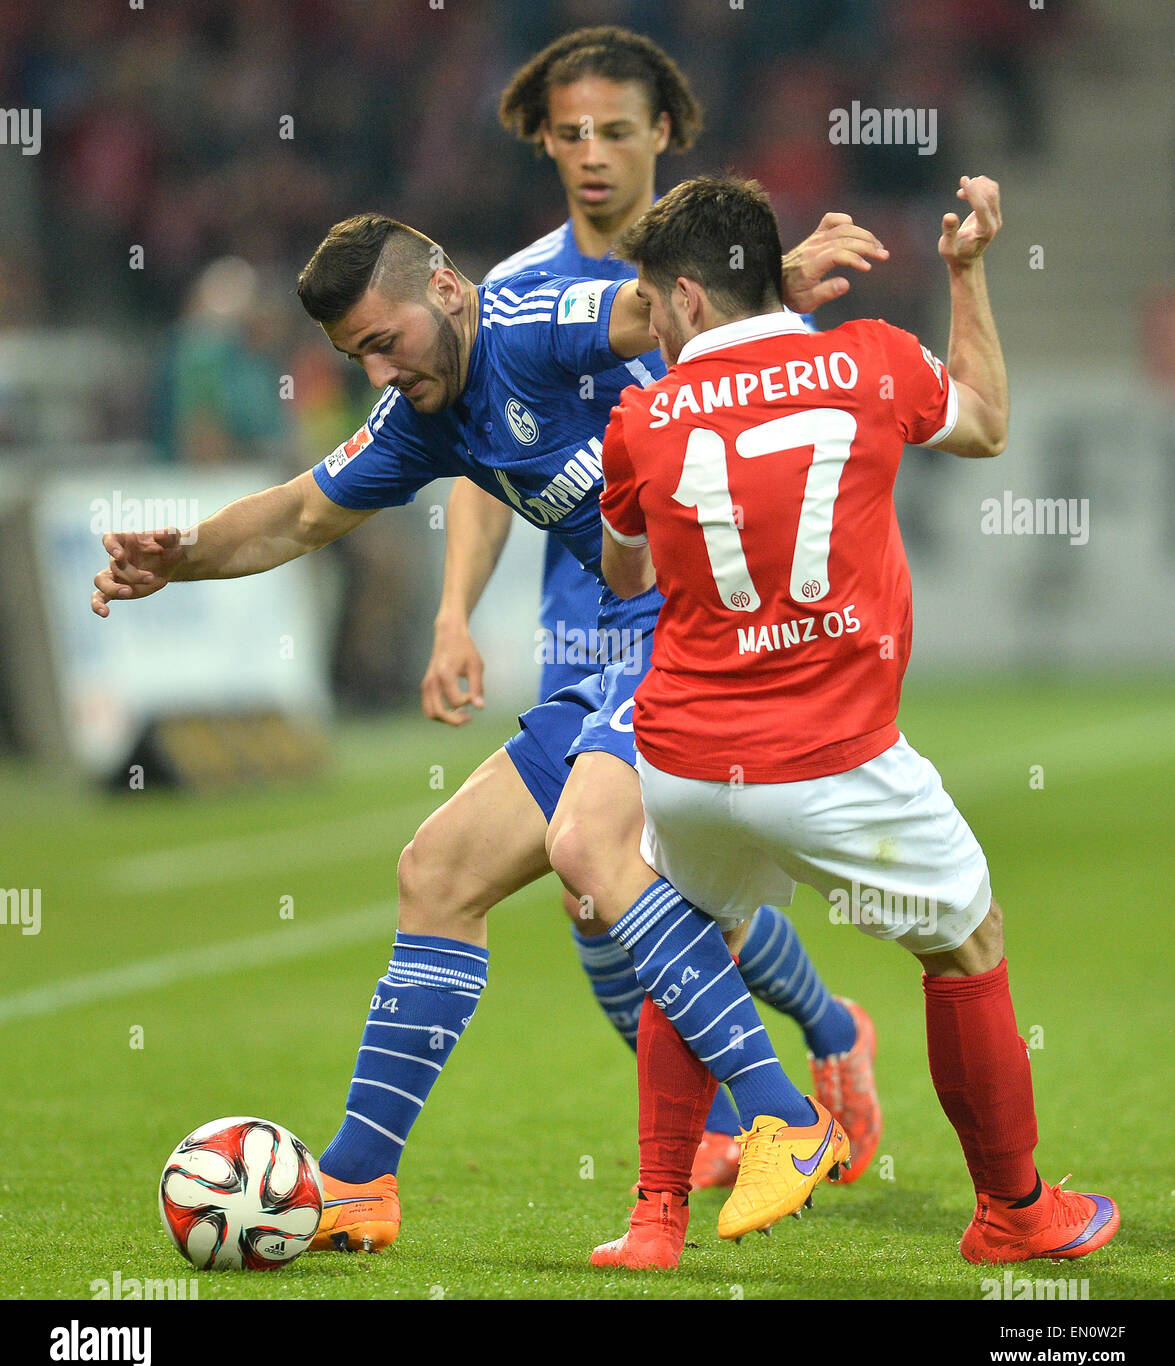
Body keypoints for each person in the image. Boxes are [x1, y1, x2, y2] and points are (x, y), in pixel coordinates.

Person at [90, 206, 885, 1263]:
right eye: (353, 354)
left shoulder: (527, 322)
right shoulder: (423, 413)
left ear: (450, 292)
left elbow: (650, 307)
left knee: (595, 857)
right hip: (633, 647)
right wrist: (176, 555)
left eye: (385, 339)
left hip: (719, 633)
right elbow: (297, 514)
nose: (377, 368)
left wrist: (766, 273)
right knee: (438, 870)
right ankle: (361, 1181)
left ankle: (781, 1109)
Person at [597, 172, 1119, 1265]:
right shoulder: (873, 359)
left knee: (684, 946)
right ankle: (1015, 1212)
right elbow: (980, 425)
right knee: (964, 942)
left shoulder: (640, 416)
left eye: (649, 301)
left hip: (686, 761)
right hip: (834, 757)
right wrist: (965, 273)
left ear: (688, 299)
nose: (642, 321)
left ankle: (654, 1217)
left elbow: (622, 567)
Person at [421, 24, 880, 1196]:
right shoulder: (514, 294)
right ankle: (801, 1057)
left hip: (696, 627)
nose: (590, 153)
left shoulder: (722, 272)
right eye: (567, 132)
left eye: (614, 130)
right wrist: (452, 613)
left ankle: (752, 1113)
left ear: (664, 132)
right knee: (611, 895)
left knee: (615, 877)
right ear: (540, 141)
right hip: (583, 622)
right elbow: (484, 471)